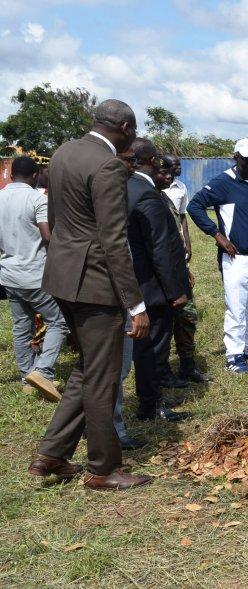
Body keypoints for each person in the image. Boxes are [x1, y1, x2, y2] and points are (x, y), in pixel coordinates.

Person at [31, 99, 152, 491]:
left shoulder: (63, 153)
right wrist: (135, 304)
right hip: (96, 284)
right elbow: (114, 240)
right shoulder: (108, 165)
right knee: (103, 378)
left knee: (88, 369)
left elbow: (56, 220)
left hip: (62, 277)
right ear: (126, 128)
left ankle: (52, 453)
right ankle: (103, 468)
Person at [187, 138, 248, 374]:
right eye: (247, 159)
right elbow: (194, 206)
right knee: (237, 306)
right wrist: (217, 235)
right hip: (236, 257)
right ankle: (234, 355)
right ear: (236, 157)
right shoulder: (223, 182)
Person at [125, 140, 190, 422]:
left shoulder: (127, 187)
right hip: (153, 286)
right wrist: (175, 291)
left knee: (147, 346)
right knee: (153, 347)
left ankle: (153, 395)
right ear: (152, 160)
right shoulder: (147, 194)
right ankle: (150, 405)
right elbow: (159, 247)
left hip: (138, 281)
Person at [0, 155, 68, 401]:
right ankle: (43, 371)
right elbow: (47, 236)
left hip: (9, 274)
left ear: (11, 175)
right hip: (35, 275)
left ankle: (26, 377)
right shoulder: (37, 199)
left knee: (21, 326)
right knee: (59, 321)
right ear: (34, 175)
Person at [160, 154, 206, 385]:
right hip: (160, 268)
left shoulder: (176, 191)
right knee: (162, 321)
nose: (169, 175)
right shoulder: (147, 196)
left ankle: (187, 365)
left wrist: (186, 247)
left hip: (177, 263)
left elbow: (181, 219)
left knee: (187, 315)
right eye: (165, 171)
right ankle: (162, 370)